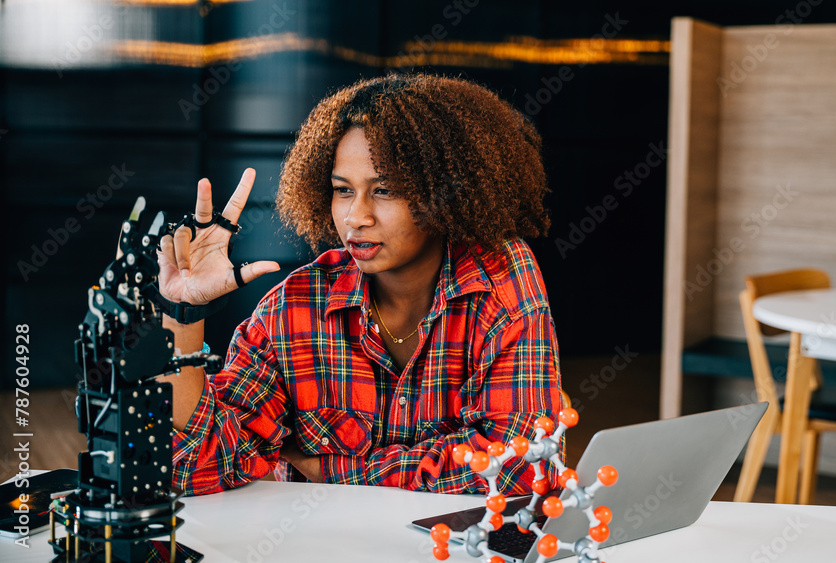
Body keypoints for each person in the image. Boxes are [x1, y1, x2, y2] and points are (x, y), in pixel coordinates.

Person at [157, 73, 563, 497]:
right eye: (342, 190)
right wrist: (183, 316)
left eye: (384, 190)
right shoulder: (295, 309)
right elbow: (198, 469)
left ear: (444, 193)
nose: (356, 217)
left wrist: (334, 470)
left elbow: (524, 467)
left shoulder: (499, 284)